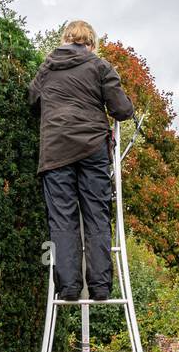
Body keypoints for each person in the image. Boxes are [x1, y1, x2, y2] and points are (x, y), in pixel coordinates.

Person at [29, 20, 135, 301]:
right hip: (92, 149)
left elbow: (32, 101)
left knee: (62, 220)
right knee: (96, 215)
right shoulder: (99, 66)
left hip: (55, 152)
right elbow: (121, 109)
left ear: (65, 39)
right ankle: (100, 287)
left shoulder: (47, 68)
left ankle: (69, 288)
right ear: (90, 43)